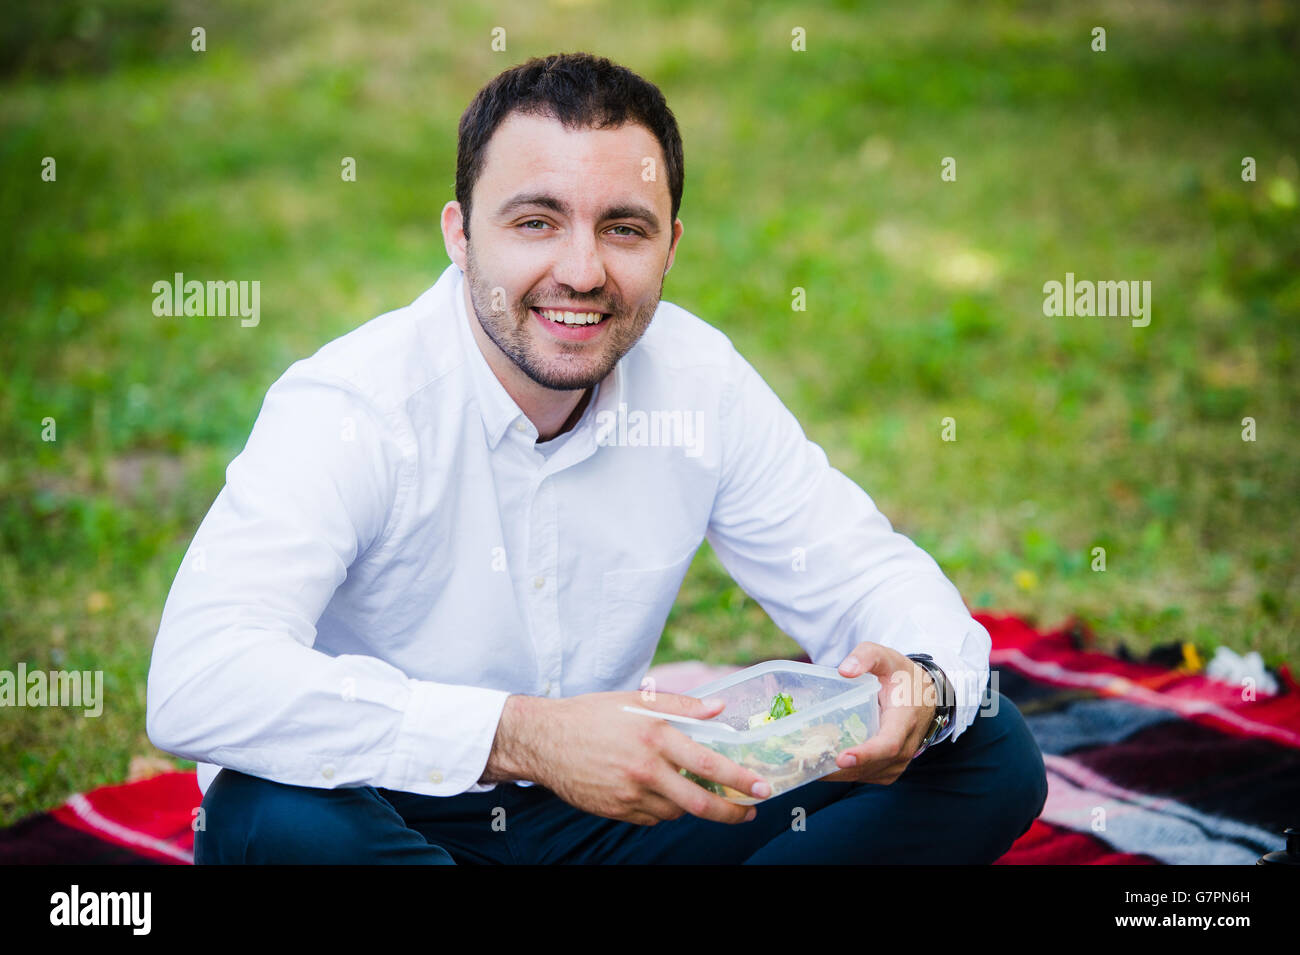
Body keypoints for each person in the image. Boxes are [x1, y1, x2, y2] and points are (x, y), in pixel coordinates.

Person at [146, 51, 1048, 864]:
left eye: (623, 229)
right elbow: (199, 678)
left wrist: (922, 684)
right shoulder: (353, 405)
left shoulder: (698, 382)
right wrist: (526, 735)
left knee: (985, 746)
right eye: (537, 222)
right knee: (268, 819)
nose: (582, 270)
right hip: (388, 811)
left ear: (670, 247)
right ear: (461, 236)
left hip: (615, 819)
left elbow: (865, 575)